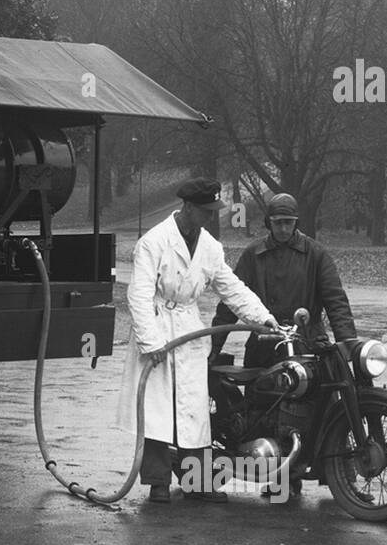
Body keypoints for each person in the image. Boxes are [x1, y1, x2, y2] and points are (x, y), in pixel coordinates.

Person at [117, 178, 279, 504]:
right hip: (159, 327)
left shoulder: (210, 247)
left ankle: (197, 481)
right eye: (205, 211)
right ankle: (158, 482)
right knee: (158, 412)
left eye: (213, 211)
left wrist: (263, 318)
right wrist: (151, 341)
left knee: (194, 409)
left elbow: (231, 288)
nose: (210, 218)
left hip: (189, 330)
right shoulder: (153, 242)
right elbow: (139, 295)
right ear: (188, 207)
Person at [211, 192, 358, 497]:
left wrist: (346, 340)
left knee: (329, 406)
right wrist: (214, 344)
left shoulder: (315, 254)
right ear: (269, 223)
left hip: (307, 342)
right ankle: (281, 480)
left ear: (296, 223)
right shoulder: (253, 255)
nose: (282, 229)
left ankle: (344, 479)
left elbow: (335, 298)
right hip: (265, 343)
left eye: (288, 223)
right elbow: (231, 302)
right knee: (265, 411)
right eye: (277, 223)